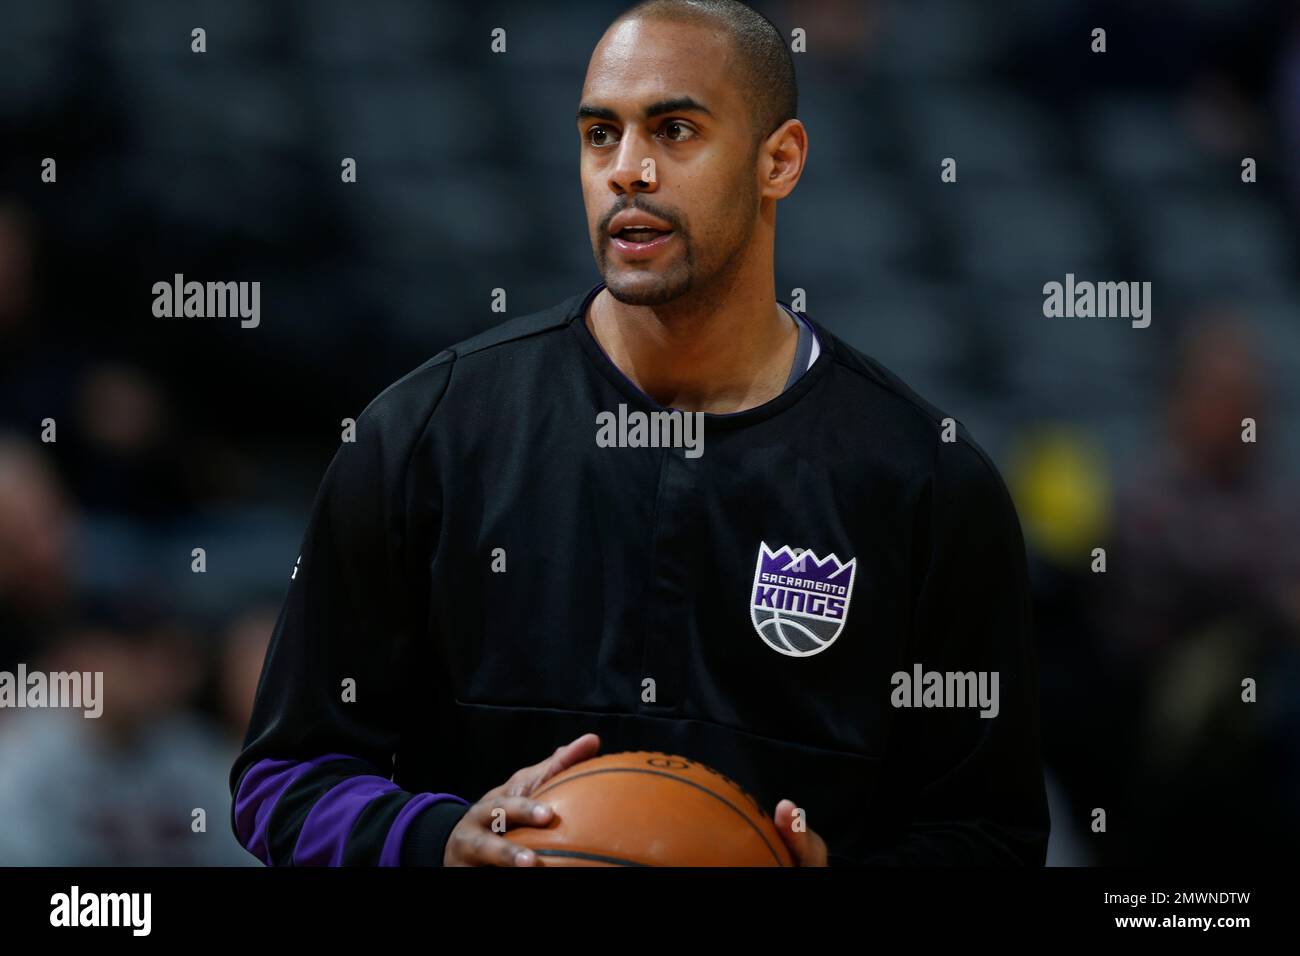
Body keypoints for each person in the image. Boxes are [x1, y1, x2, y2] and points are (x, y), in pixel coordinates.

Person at [230, 0, 1049, 867]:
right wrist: (436, 839)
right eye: (598, 135)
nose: (628, 170)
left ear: (780, 160)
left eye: (674, 130)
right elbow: (282, 778)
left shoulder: (926, 482)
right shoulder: (425, 434)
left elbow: (989, 835)